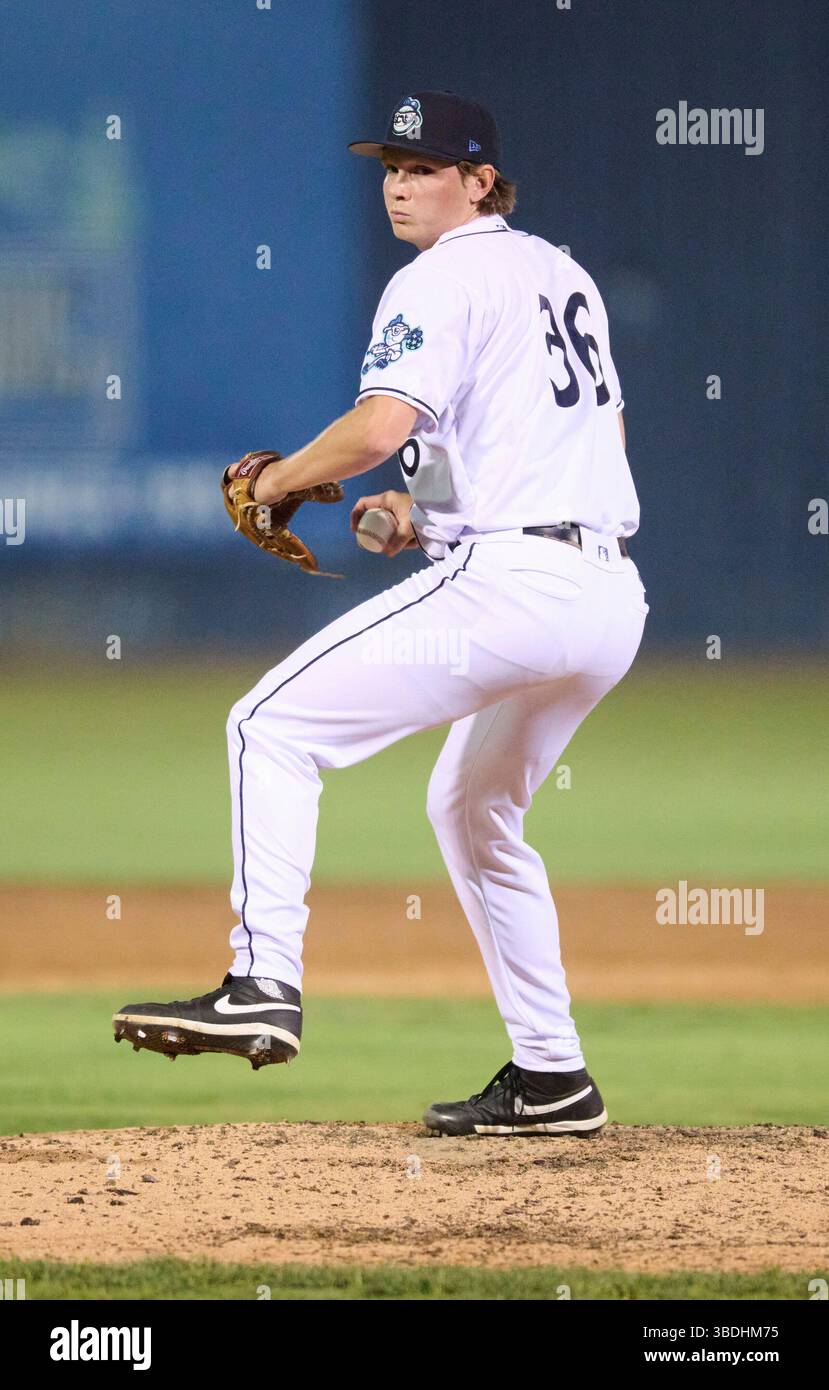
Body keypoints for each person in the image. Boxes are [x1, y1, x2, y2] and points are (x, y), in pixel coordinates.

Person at [113, 90, 648, 1138]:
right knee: (472, 811)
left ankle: (261, 981)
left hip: (514, 588)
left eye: (428, 164)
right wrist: (424, 513)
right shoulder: (561, 272)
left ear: (481, 180)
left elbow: (375, 427)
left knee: (266, 727)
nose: (401, 181)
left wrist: (275, 483)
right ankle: (552, 1077)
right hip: (603, 594)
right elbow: (586, 443)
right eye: (391, 164)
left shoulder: (439, 277)